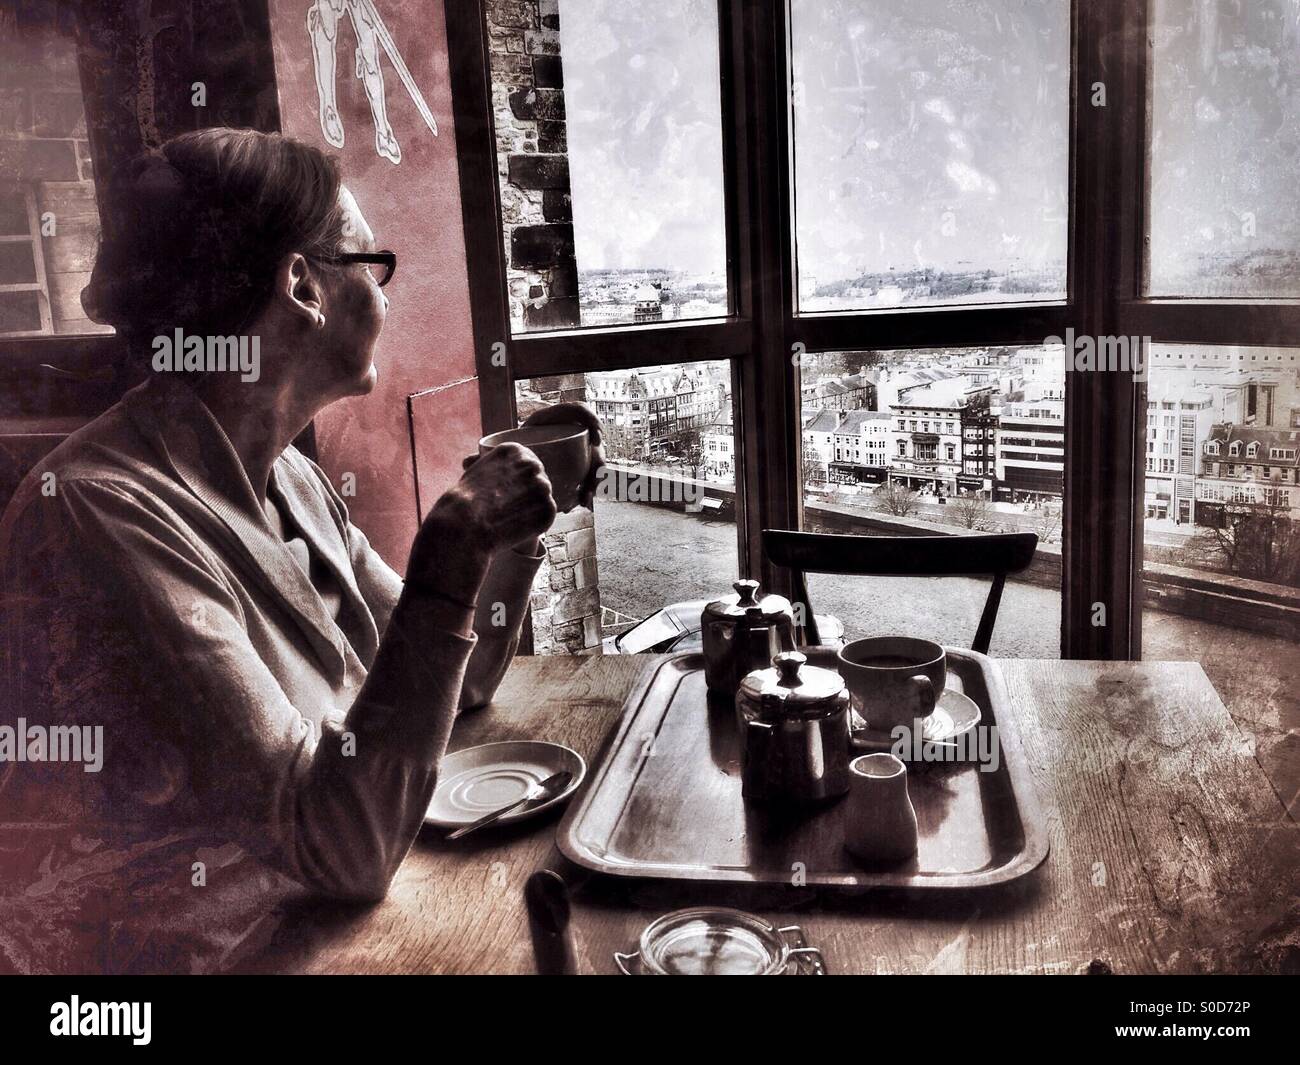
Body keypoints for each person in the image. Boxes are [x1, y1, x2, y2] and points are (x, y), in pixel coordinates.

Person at [0, 128, 602, 973]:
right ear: (301, 285)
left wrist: (506, 540)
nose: (384, 296)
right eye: (371, 263)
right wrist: (449, 553)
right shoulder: (101, 512)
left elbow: (455, 685)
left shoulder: (292, 478)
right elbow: (343, 845)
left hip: (327, 918)